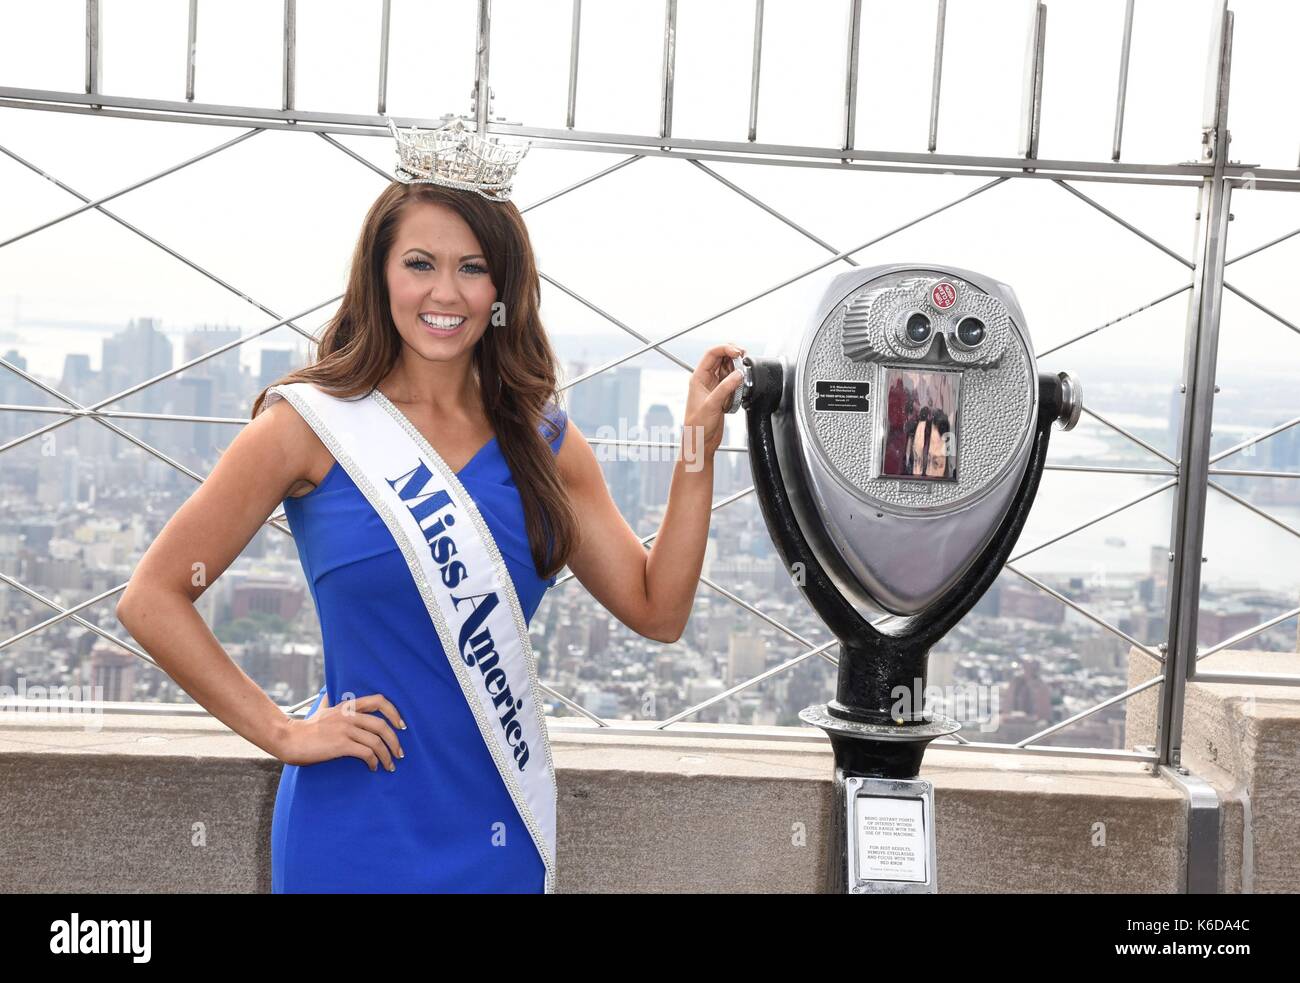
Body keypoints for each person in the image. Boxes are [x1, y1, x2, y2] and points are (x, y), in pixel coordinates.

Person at [114, 114, 745, 893]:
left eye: (473, 268)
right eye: (419, 263)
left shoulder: (544, 442)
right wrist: (282, 729)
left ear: (502, 287)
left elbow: (659, 609)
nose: (445, 293)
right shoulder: (308, 427)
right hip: (349, 828)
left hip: (497, 826)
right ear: (380, 273)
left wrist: (695, 446)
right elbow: (151, 597)